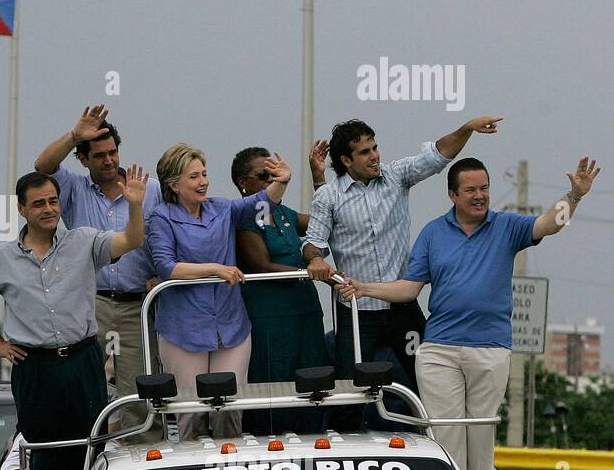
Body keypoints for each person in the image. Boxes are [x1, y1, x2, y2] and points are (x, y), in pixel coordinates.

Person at [341, 156, 600, 470]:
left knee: (480, 437)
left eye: (485, 188)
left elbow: (549, 224)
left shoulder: (507, 226)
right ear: (453, 194)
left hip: (490, 349)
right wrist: (365, 287)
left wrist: (573, 196)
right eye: (471, 190)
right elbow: (410, 288)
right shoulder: (433, 233)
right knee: (446, 439)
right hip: (440, 350)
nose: (480, 196)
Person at [0, 166, 149, 470]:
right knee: (45, 454)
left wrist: (135, 205)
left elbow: (132, 240)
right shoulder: (1, 257)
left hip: (82, 359)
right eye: (39, 204)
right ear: (22, 209)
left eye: (53, 201)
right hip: (35, 366)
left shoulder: (83, 241)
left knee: (89, 446)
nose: (48, 209)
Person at [302, 117, 502, 408]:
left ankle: (435, 442)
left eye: (375, 147)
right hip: (356, 311)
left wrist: (467, 128)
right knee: (348, 392)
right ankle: (351, 443)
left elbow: (437, 155)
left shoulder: (396, 175)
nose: (374, 156)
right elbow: (313, 243)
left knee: (428, 380)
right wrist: (317, 259)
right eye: (365, 152)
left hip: (402, 307)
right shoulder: (328, 197)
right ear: (346, 160)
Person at [148, 144, 291, 440]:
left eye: (204, 174)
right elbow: (166, 267)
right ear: (174, 185)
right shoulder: (162, 217)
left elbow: (263, 203)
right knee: (191, 414)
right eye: (193, 177)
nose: (203, 182)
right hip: (183, 330)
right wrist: (215, 269)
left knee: (230, 409)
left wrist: (283, 182)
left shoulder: (222, 208)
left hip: (230, 326)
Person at [33, 104, 163, 424]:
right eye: (100, 155)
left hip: (137, 305)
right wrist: (75, 135)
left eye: (113, 152)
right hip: (89, 301)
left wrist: (162, 272)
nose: (108, 160)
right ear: (82, 159)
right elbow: (43, 165)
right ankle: (89, 454)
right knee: (83, 384)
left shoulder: (149, 189)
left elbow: (165, 236)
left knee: (138, 390)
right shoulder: (73, 189)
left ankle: (137, 462)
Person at [232, 145, 331, 433]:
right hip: (270, 319)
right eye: (264, 176)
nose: (271, 182)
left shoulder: (284, 213)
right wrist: (309, 271)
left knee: (314, 383)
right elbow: (261, 265)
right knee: (275, 391)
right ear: (243, 182)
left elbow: (325, 223)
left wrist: (318, 177)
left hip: (306, 313)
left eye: (275, 176)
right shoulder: (244, 217)